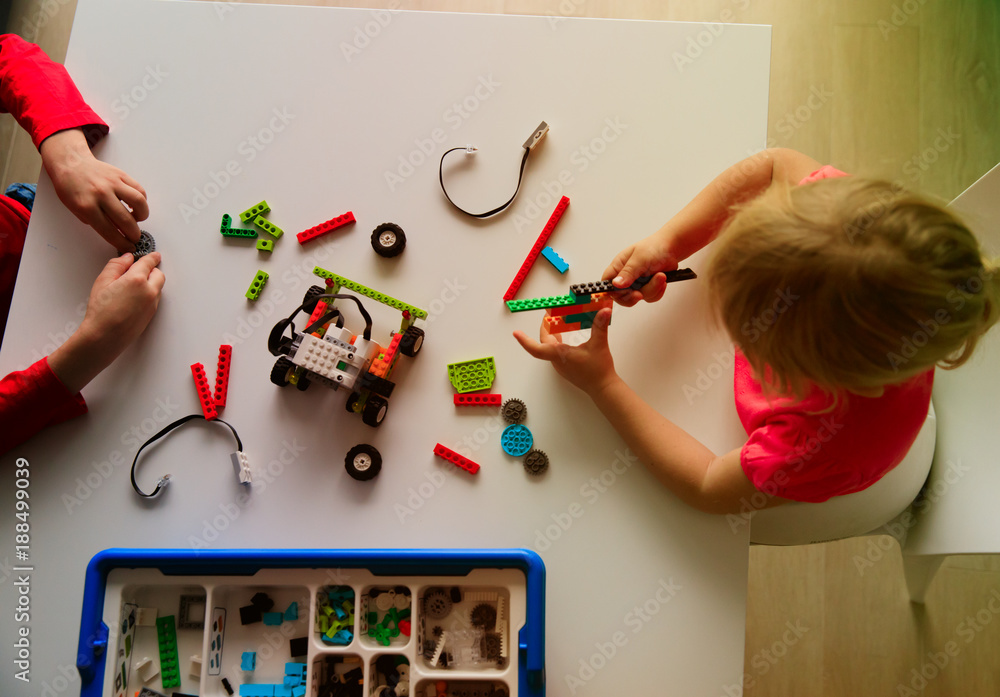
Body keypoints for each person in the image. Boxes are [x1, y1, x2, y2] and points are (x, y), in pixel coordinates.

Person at [515, 148, 999, 514]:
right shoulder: (851, 230)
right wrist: (670, 242)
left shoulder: (818, 446)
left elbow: (706, 485)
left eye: (752, 328)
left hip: (833, 478)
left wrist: (603, 384)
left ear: (798, 369)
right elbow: (773, 167)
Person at [0, 34, 164, 454]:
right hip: (36, 347)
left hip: (33, 221)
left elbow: (8, 56)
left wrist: (68, 155)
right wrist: (91, 348)